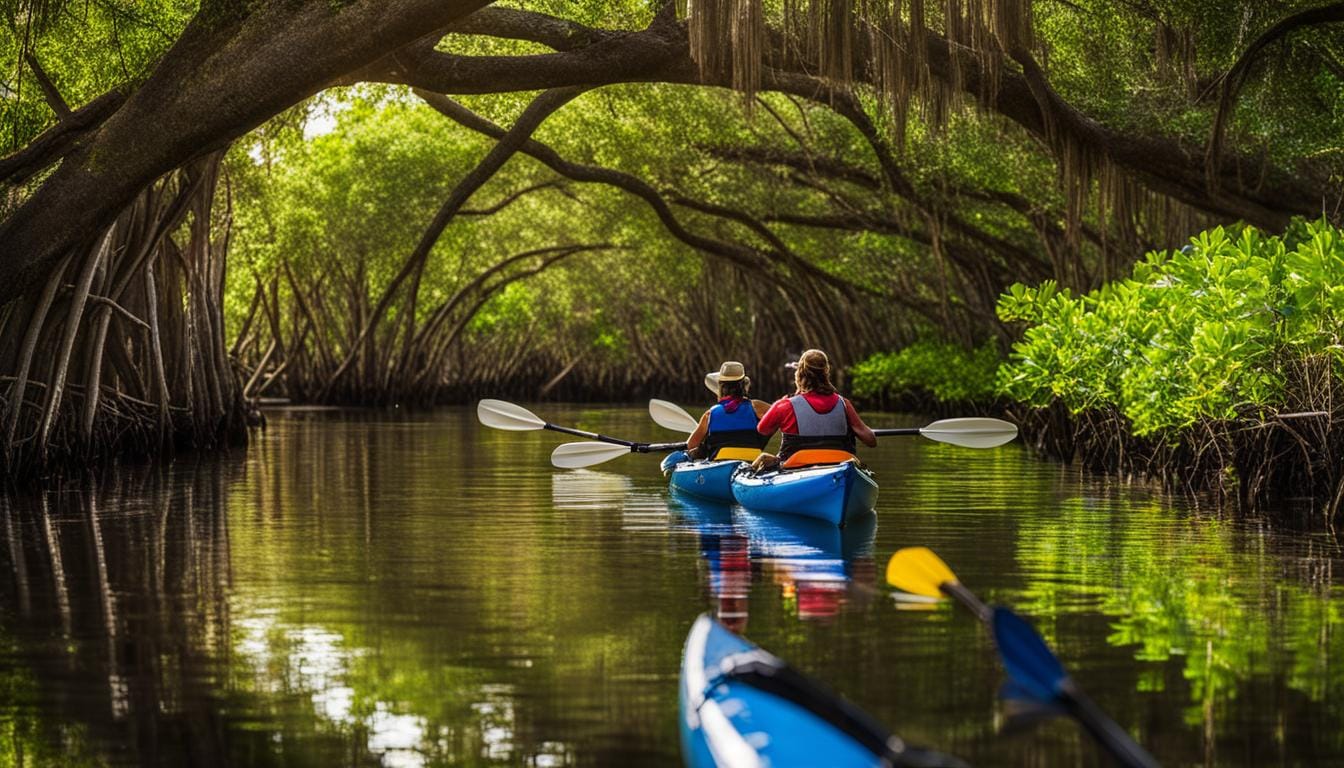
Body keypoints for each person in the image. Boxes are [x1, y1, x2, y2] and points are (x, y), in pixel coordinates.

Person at [753, 349, 876, 468]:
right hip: (839, 464)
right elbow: (871, 440)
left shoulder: (785, 405)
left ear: (799, 373)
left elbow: (763, 429)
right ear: (826, 372)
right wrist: (859, 429)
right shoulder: (844, 404)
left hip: (795, 466)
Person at [685, 361, 772, 460]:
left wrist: (705, 444)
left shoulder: (709, 414)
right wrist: (763, 437)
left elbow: (691, 445)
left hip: (721, 461)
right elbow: (780, 416)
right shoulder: (757, 406)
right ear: (743, 386)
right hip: (752, 460)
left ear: (720, 388)